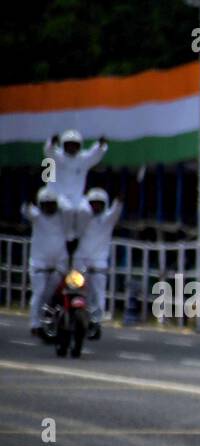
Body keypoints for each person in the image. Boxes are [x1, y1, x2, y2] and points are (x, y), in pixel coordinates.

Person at [21, 187, 71, 335]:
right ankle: (34, 324)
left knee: (51, 295)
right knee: (39, 293)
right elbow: (26, 209)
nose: (49, 207)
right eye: (46, 204)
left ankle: (48, 321)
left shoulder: (62, 218)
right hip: (39, 265)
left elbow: (69, 209)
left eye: (52, 204)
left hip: (58, 265)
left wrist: (59, 196)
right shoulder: (36, 216)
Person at [71, 188, 121, 331]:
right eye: (93, 203)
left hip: (98, 265)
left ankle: (95, 322)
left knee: (98, 295)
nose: (96, 207)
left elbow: (116, 209)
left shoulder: (107, 220)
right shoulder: (81, 219)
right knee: (73, 292)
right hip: (79, 264)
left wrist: (120, 199)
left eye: (99, 204)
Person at [43, 130, 108, 204]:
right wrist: (52, 142)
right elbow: (48, 150)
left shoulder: (83, 159)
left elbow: (96, 154)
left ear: (79, 146)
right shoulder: (57, 156)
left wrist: (100, 145)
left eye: (74, 145)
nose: (71, 148)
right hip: (55, 200)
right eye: (68, 145)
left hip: (75, 201)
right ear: (63, 145)